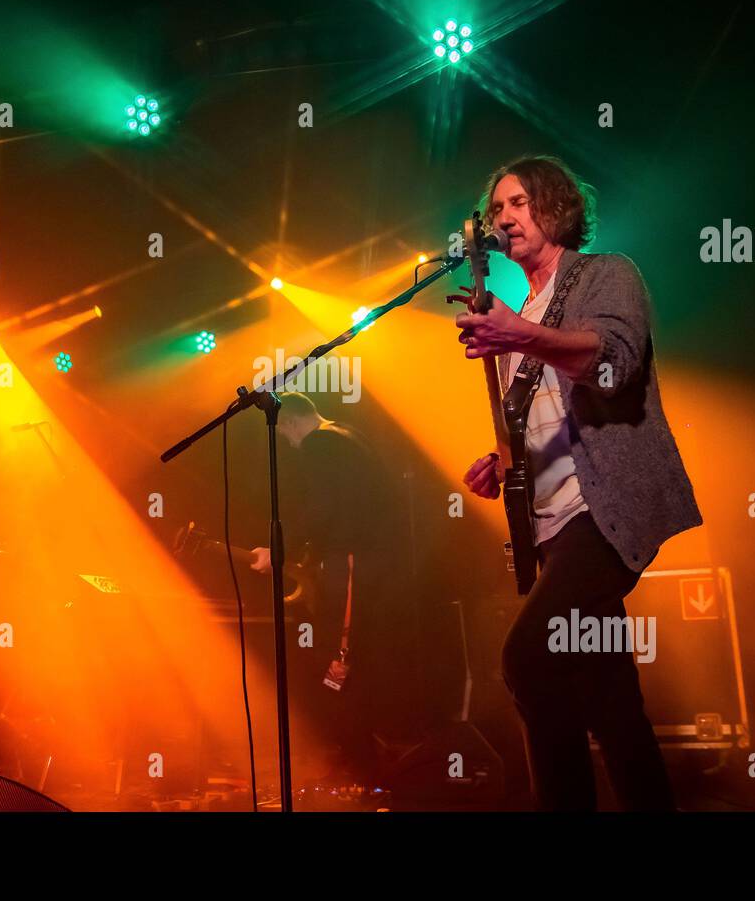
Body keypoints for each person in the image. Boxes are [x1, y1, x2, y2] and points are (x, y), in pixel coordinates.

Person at [455, 154, 702, 811]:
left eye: (518, 202)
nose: (504, 216)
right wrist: (502, 465)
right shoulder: (524, 313)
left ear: (556, 206)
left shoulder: (606, 274)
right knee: (613, 705)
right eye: (497, 207)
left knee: (529, 662)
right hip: (552, 528)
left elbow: (615, 364)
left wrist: (522, 335)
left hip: (603, 513)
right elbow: (545, 421)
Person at [249, 392, 411, 784]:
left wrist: (280, 549)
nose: (287, 443)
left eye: (284, 435)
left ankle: (362, 770)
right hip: (367, 562)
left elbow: (324, 507)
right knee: (350, 658)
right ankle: (363, 762)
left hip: (352, 562)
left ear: (288, 423)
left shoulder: (320, 442)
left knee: (339, 658)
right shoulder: (346, 433)